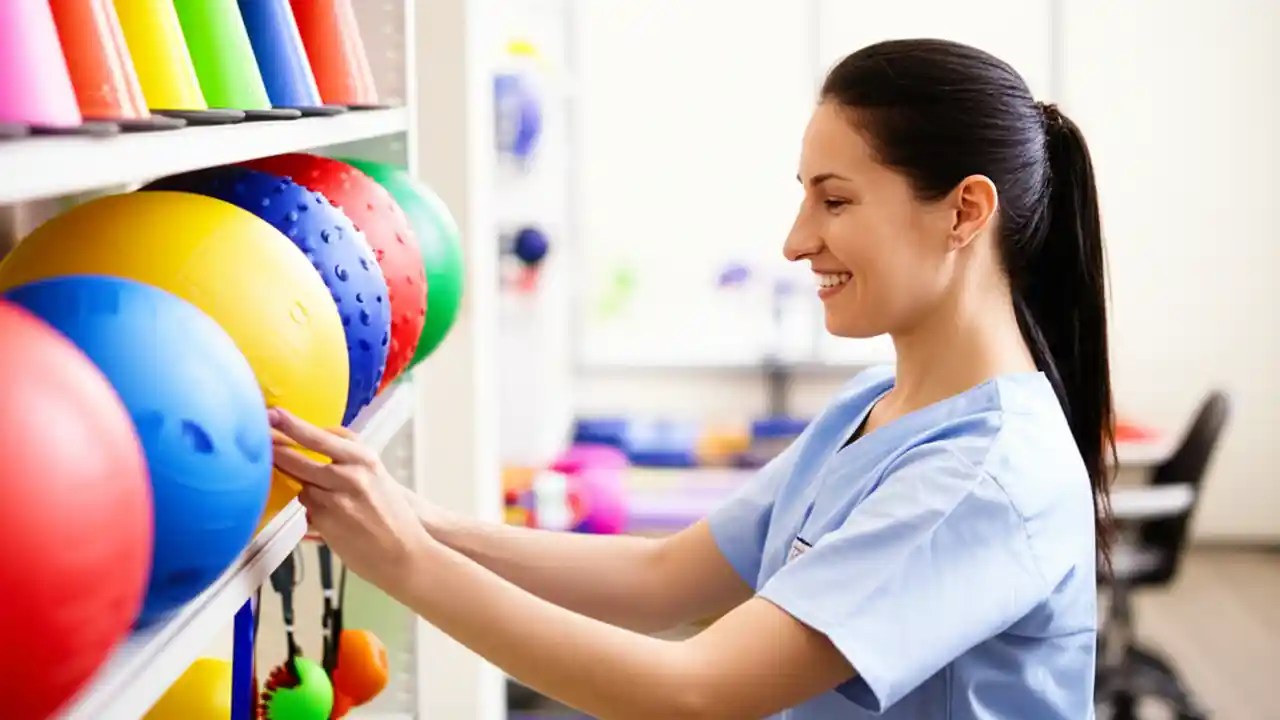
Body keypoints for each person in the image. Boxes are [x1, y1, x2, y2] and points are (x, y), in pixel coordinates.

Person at [270, 37, 1113, 719]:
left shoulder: (983, 477)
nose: (795, 240)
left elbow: (696, 691)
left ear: (964, 211)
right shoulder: (873, 405)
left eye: (836, 201)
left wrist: (406, 558)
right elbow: (661, 582)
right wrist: (413, 517)